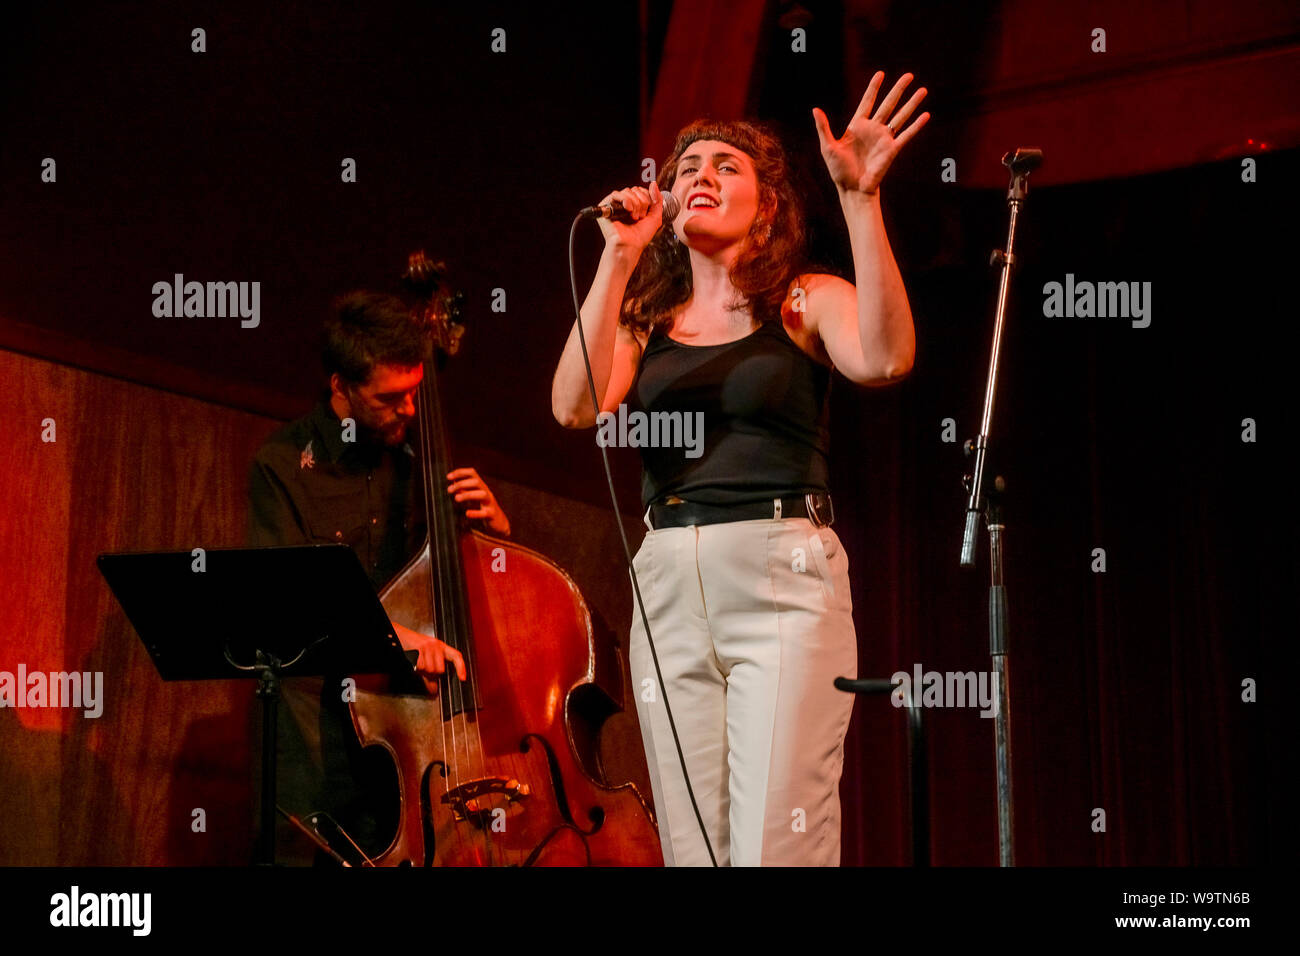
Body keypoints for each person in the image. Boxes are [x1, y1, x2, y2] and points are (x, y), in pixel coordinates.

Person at [551, 71, 928, 866]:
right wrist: (618, 259)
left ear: (767, 209)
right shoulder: (645, 323)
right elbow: (574, 407)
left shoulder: (800, 299)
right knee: (694, 848)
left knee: (775, 844)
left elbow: (889, 358)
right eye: (687, 167)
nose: (700, 177)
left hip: (781, 576)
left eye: (726, 166)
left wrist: (861, 201)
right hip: (666, 582)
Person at [247, 289, 511, 862]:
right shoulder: (282, 466)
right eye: (389, 399)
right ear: (341, 386)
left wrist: (495, 538)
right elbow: (288, 606)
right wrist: (394, 641)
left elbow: (482, 599)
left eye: (415, 393)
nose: (410, 412)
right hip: (316, 742)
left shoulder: (422, 463)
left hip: (412, 742)